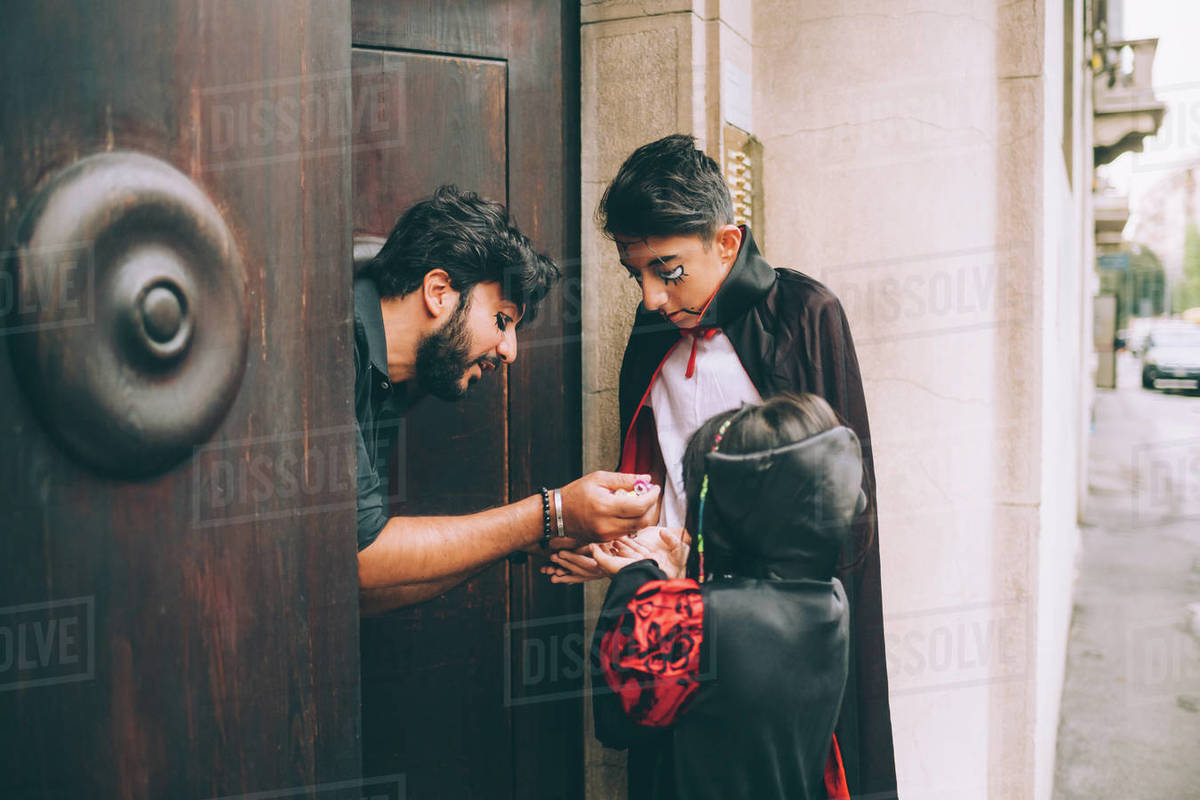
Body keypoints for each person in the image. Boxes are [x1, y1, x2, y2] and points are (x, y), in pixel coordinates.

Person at [544, 135, 897, 798]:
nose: (650, 297)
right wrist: (625, 549)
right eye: (636, 274)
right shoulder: (652, 333)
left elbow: (839, 505)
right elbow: (652, 475)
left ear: (727, 243)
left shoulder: (804, 314)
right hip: (674, 621)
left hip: (773, 639)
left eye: (669, 270)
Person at [354, 185, 661, 614]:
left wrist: (536, 535)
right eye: (502, 319)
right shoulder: (339, 343)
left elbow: (360, 586)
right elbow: (363, 559)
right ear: (439, 291)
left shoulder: (387, 384)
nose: (509, 351)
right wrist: (551, 512)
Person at [589, 393, 863, 800]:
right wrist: (681, 576)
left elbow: (617, 717)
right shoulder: (830, 603)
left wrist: (637, 578)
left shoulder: (699, 621)